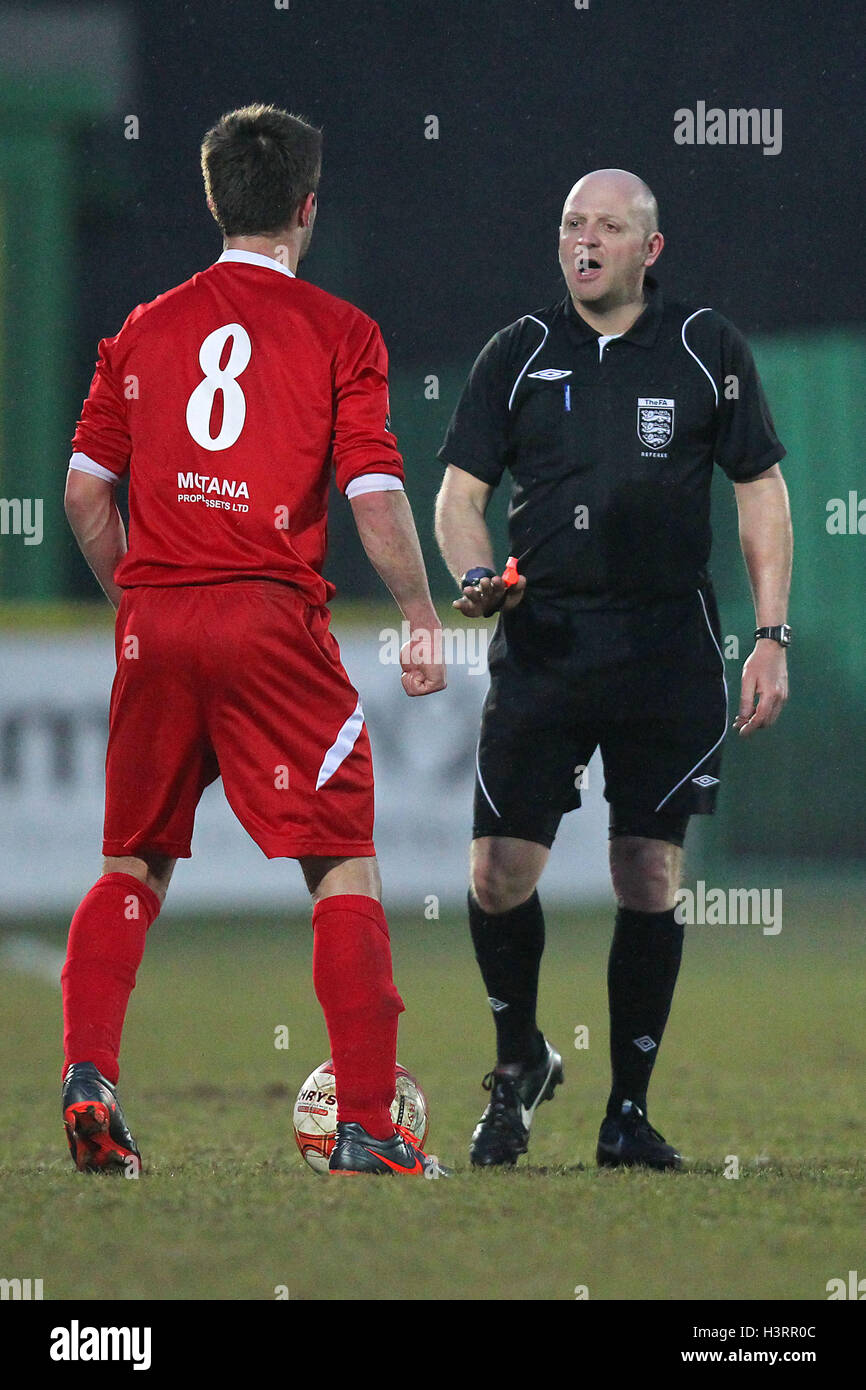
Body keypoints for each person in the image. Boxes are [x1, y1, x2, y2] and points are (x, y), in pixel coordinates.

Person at [61, 103, 447, 1178]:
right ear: (306, 208)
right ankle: (369, 1126)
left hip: (159, 618)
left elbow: (85, 494)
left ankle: (90, 1078)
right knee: (342, 869)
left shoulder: (142, 328)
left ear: (212, 197)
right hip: (270, 621)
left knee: (131, 860)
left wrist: (137, 602)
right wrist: (420, 617)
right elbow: (372, 493)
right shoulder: (341, 333)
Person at [435, 168, 791, 1170]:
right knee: (496, 874)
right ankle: (519, 1063)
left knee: (645, 870)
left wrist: (770, 635)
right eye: (567, 226)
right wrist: (472, 570)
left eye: (604, 227)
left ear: (649, 248)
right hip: (543, 644)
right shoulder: (516, 352)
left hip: (662, 647)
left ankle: (625, 1114)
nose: (581, 242)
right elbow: (458, 493)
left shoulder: (704, 347)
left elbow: (758, 487)